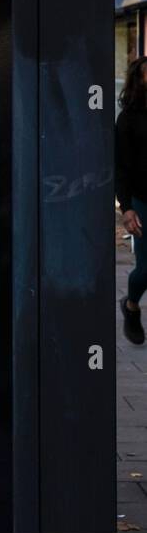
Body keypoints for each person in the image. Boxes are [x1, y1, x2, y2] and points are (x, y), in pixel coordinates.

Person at [116, 56, 147, 344]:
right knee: (146, 268)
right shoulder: (128, 120)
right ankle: (131, 305)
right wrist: (126, 209)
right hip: (143, 200)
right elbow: (121, 168)